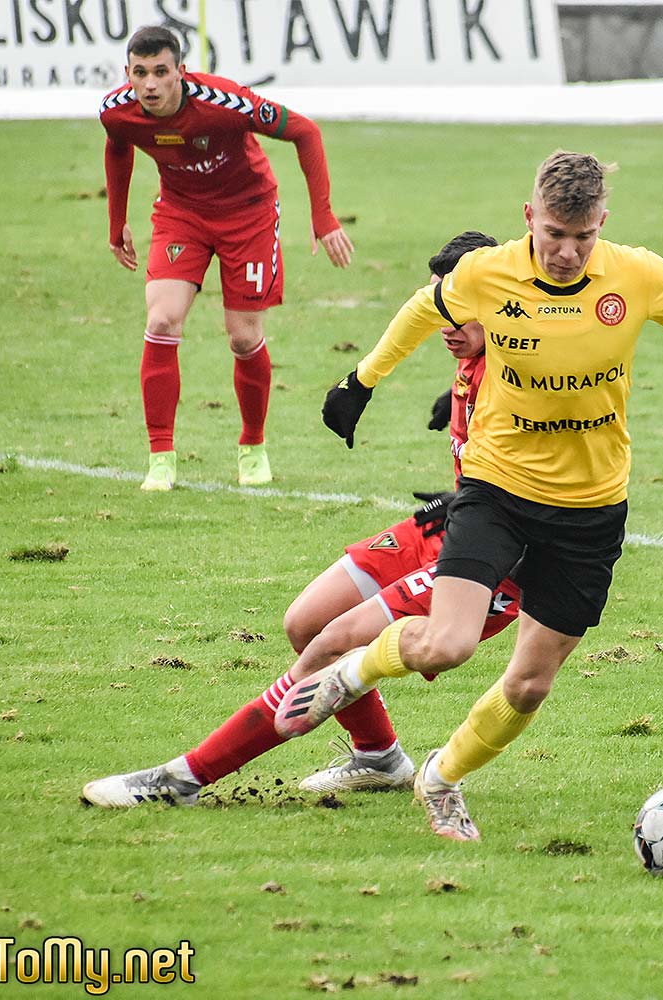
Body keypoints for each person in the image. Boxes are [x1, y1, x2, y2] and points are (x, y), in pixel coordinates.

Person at [283, 150, 663, 841]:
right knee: (448, 644)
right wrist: (359, 382)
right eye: (553, 235)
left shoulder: (635, 275)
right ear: (528, 220)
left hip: (591, 509)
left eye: (583, 237)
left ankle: (442, 778)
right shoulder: (487, 273)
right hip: (497, 489)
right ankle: (355, 670)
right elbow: (423, 310)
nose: (569, 252)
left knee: (529, 686)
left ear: (603, 223)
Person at [80, 232, 522, 808]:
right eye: (436, 303)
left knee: (331, 646)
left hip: (496, 563)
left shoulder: (522, 379)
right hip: (448, 525)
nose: (443, 322)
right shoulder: (475, 357)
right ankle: (379, 758)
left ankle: (183, 779)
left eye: (457, 310)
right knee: (305, 621)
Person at [100, 25, 354, 491]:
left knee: (242, 337)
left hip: (249, 214)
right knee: (161, 321)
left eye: (161, 72)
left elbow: (305, 131)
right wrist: (116, 222)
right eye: (141, 73)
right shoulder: (117, 112)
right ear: (128, 74)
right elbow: (117, 150)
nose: (150, 84)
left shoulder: (226, 103)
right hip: (182, 216)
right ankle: (161, 458)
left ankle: (252, 448)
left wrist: (323, 216)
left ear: (181, 71)